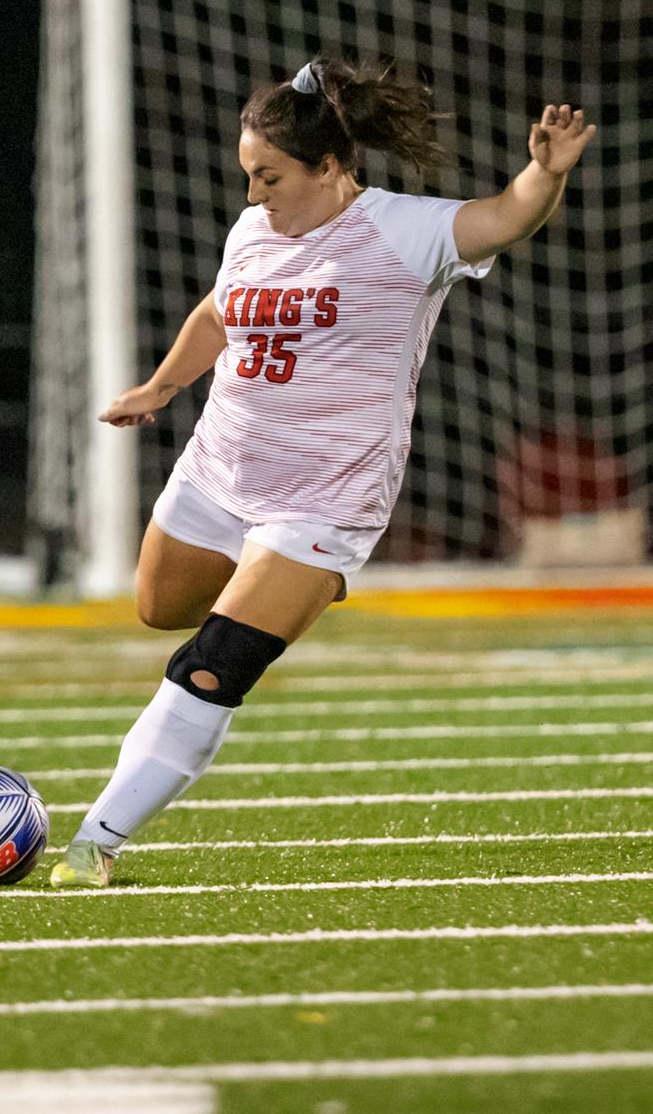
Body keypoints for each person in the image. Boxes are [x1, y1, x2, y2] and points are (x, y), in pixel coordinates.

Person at [49, 55, 596, 888]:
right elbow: (217, 309)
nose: (253, 196)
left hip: (324, 498)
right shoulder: (253, 233)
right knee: (158, 607)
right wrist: (162, 385)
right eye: (247, 176)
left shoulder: (400, 231)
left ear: (330, 167)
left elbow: (503, 219)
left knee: (211, 662)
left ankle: (96, 840)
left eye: (268, 177)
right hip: (219, 470)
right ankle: (268, 593)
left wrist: (543, 173)